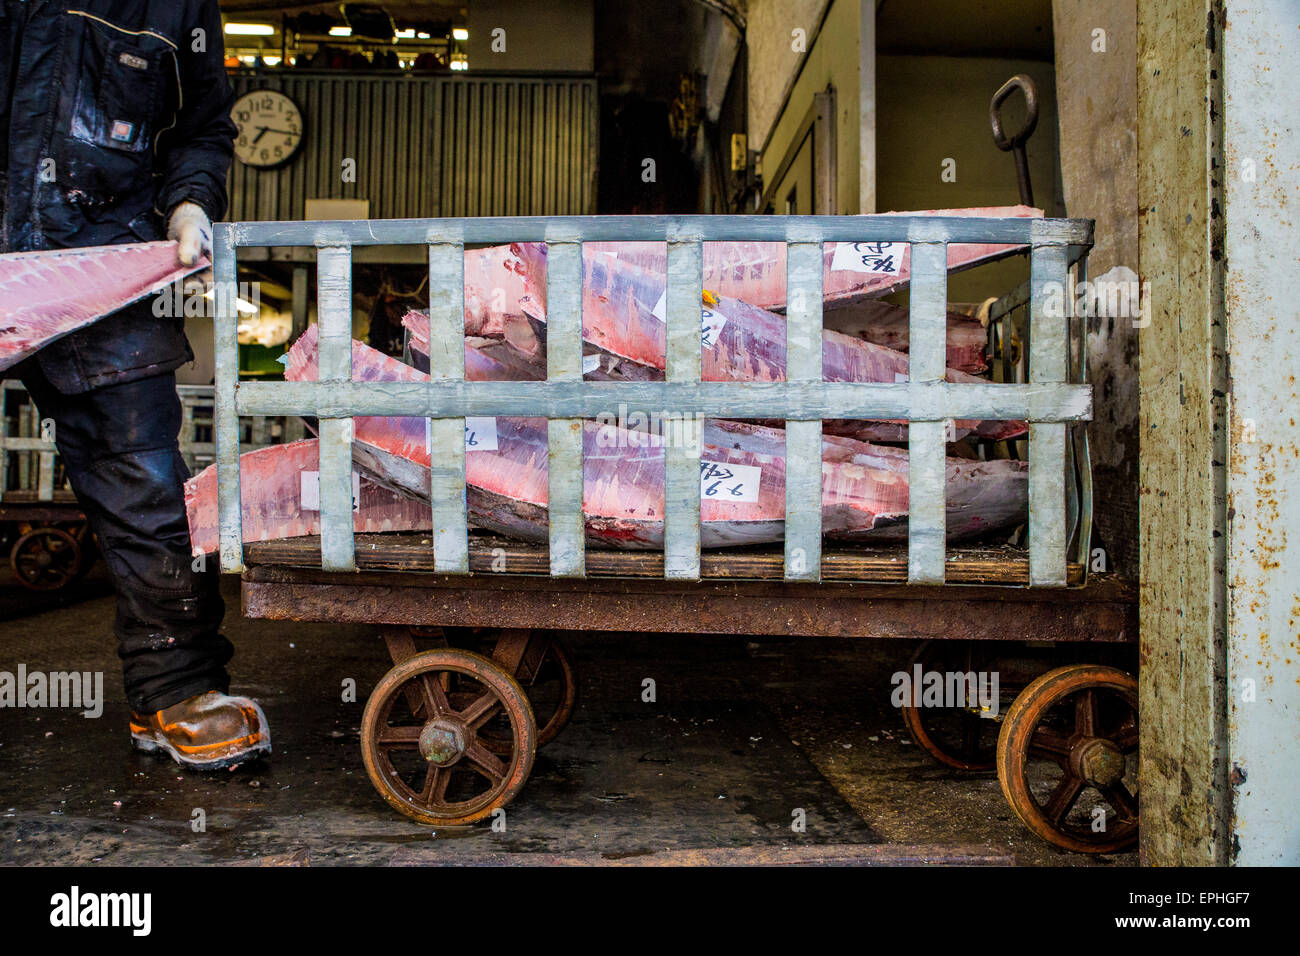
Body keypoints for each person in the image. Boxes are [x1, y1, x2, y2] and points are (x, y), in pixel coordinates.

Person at [1, 0, 269, 769]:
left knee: (148, 491)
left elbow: (204, 127)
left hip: (103, 261)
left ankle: (175, 692)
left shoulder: (176, 6)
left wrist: (191, 204)